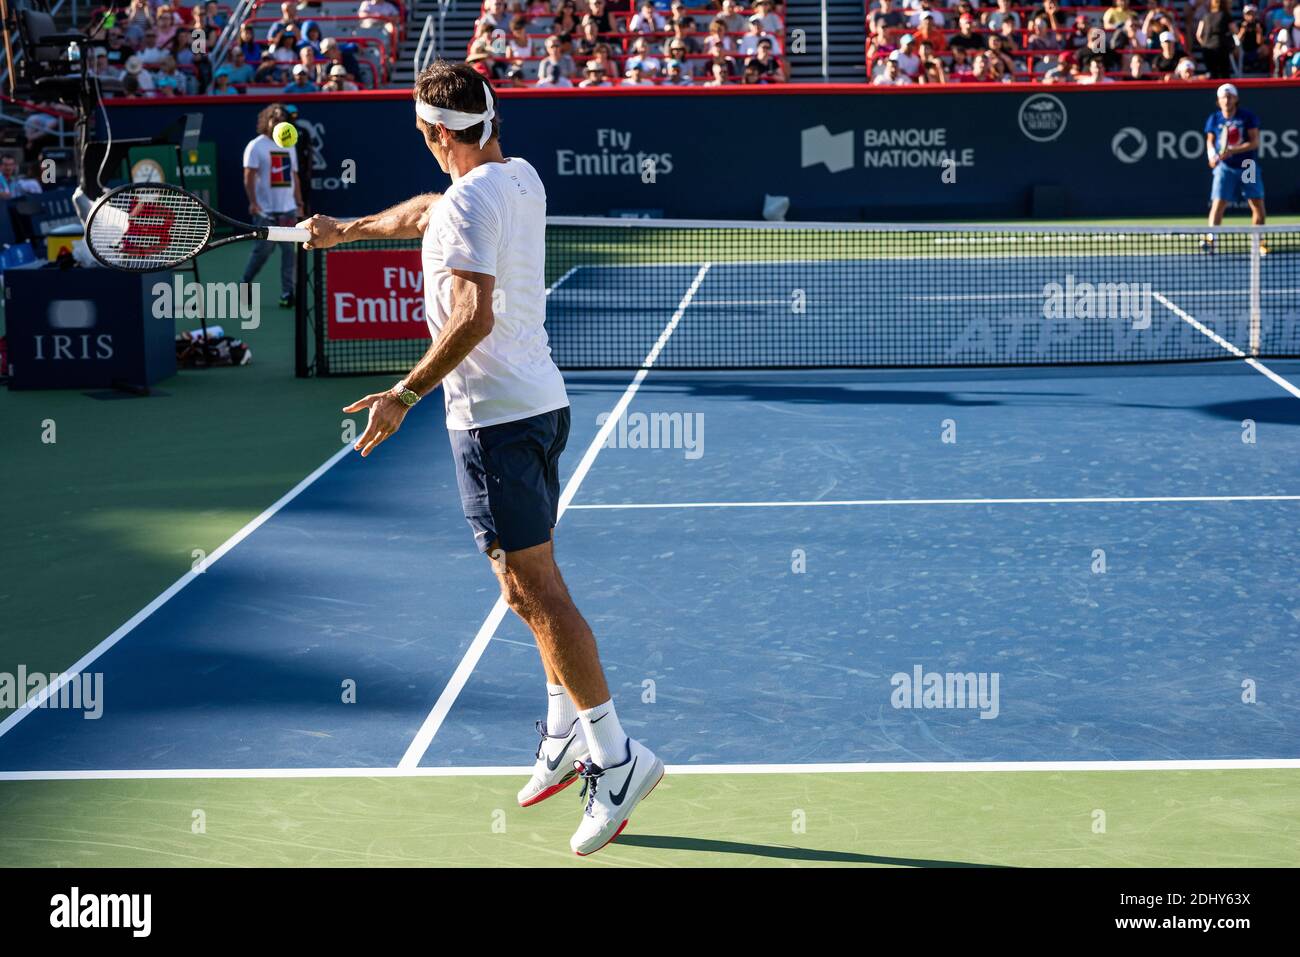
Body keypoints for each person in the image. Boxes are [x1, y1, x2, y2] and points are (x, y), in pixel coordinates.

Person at [301, 62, 664, 856]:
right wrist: (346, 230)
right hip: (538, 406)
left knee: (536, 591)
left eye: (422, 132)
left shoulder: (469, 200)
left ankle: (617, 757)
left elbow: (472, 314)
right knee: (522, 586)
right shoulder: (515, 177)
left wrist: (403, 393)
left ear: (435, 133)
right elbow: (427, 211)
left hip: (495, 420)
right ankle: (563, 735)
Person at [241, 103, 303, 308]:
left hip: (288, 210)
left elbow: (293, 176)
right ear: (266, 121)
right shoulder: (255, 146)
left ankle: (287, 293)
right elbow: (249, 176)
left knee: (289, 253)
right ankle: (245, 282)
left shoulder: (289, 143)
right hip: (265, 211)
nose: (278, 122)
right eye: (274, 118)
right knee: (263, 252)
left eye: (282, 119)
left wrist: (299, 203)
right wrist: (253, 203)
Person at [1203, 82, 1267, 252]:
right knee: (1218, 203)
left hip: (1248, 165)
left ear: (1236, 99)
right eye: (1224, 97)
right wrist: (1212, 156)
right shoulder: (1214, 118)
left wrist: (1232, 150)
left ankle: (1258, 242)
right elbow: (1210, 141)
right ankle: (1211, 240)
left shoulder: (1247, 116)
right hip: (1225, 167)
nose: (1227, 100)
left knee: (1257, 204)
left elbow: (1254, 142)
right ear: (1219, 100)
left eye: (1230, 97)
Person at [1196, 0, 1235, 78]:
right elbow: (1235, 30)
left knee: (1212, 75)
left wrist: (1204, 45)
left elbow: (1198, 35)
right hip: (1222, 47)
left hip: (1207, 49)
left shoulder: (1205, 16)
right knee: (1224, 74)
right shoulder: (1226, 15)